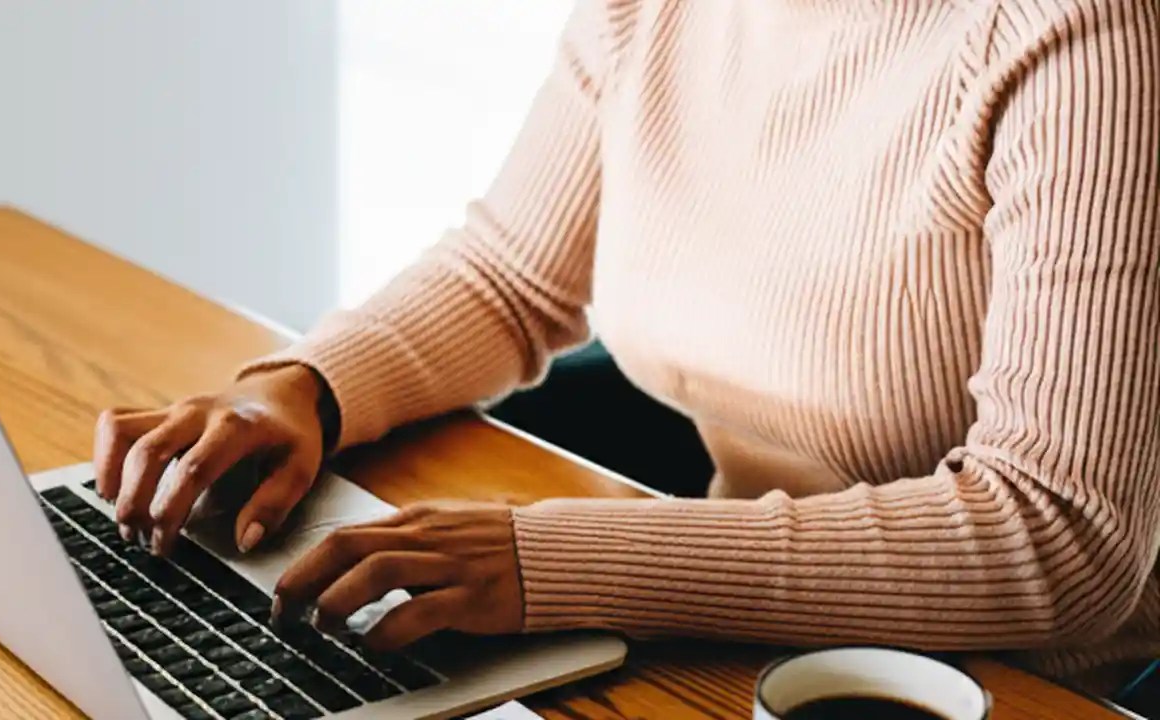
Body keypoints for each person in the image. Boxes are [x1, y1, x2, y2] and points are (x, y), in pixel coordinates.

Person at [94, 0, 1160, 700]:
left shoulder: (1083, 34)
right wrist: (305, 388)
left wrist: (547, 562)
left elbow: (1059, 534)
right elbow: (508, 276)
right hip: (742, 634)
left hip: (1015, 686)